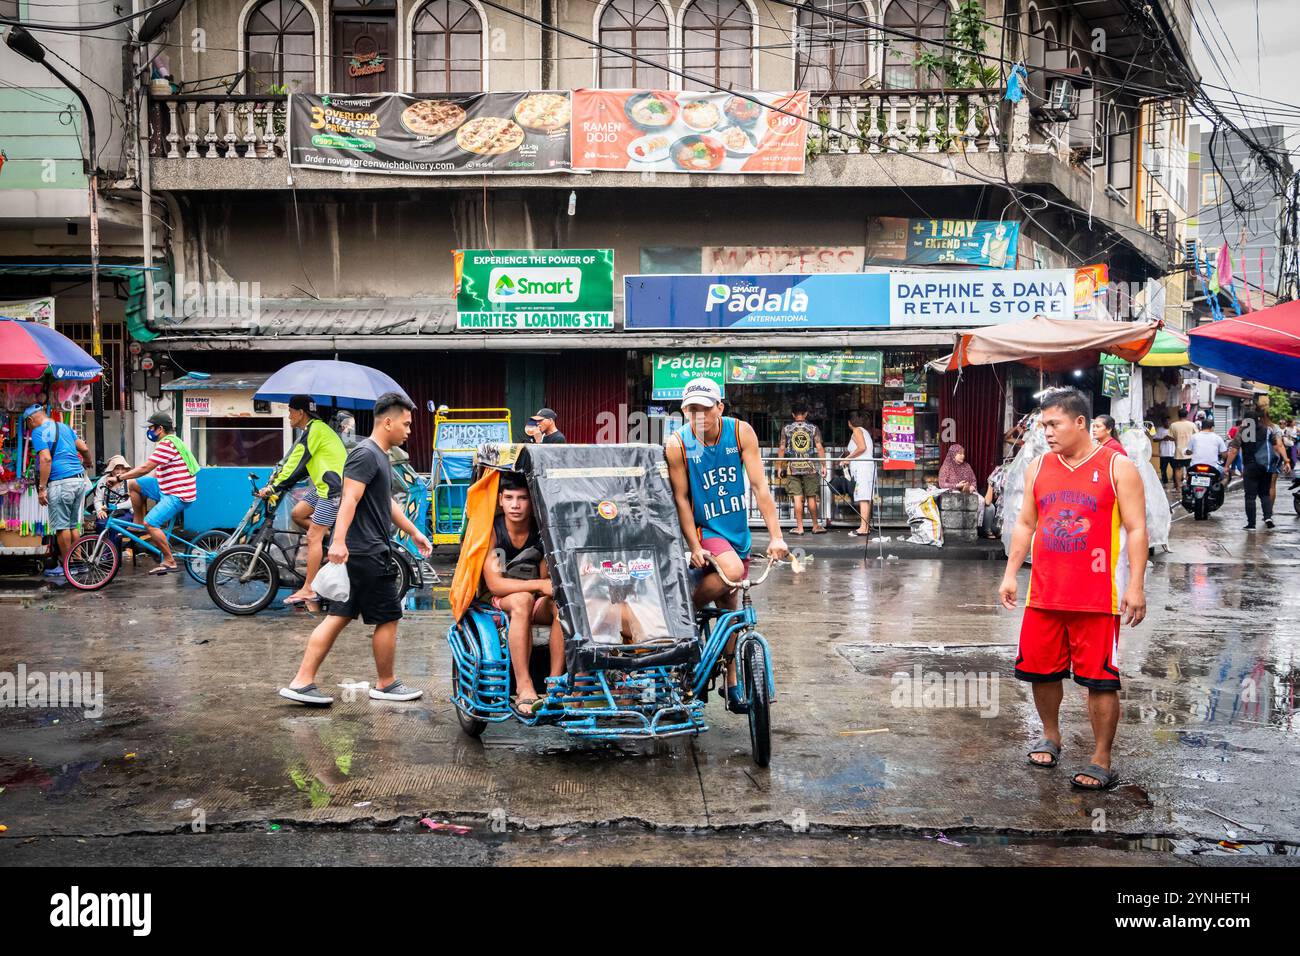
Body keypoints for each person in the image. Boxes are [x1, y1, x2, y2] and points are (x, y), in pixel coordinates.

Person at [998, 387, 1148, 792]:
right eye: (1043, 424)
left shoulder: (1118, 467)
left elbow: (1136, 528)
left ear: (1080, 422)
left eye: (1054, 424)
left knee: (1101, 680)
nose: (1046, 432)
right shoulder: (1039, 468)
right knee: (1040, 671)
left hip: (1098, 598)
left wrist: (1136, 585)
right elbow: (1026, 524)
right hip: (1045, 594)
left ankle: (1101, 756)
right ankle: (1051, 734)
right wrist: (1011, 572)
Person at [279, 392, 432, 706]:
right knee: (388, 616)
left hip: (364, 551)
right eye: (406, 424)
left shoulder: (379, 456)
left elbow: (385, 503)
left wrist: (414, 531)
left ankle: (302, 681)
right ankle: (386, 683)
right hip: (367, 553)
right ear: (387, 422)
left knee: (338, 617)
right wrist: (337, 541)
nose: (409, 430)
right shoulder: (366, 454)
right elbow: (349, 498)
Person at [665, 377, 788, 712]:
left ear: (719, 407)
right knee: (731, 573)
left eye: (705, 408)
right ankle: (677, 610)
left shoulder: (740, 432)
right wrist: (694, 546)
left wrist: (776, 536)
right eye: (691, 410)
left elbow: (760, 486)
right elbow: (681, 499)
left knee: (730, 610)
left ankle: (731, 683)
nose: (699, 416)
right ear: (684, 412)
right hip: (706, 533)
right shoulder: (677, 444)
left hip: (737, 534)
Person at [481, 473, 562, 716]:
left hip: (536, 600)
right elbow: (495, 584)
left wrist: (543, 586)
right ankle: (523, 684)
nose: (515, 505)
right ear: (500, 500)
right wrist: (538, 584)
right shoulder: (492, 531)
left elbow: (549, 577)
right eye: (509, 498)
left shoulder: (541, 529)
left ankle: (555, 684)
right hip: (503, 600)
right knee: (522, 600)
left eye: (523, 498)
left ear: (532, 501)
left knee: (564, 604)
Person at [260, 395, 347, 606]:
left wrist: (274, 486)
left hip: (332, 490)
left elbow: (296, 462)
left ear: (301, 413)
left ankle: (309, 588)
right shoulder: (313, 429)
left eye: (290, 410)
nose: (289, 415)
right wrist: (279, 481)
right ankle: (329, 534)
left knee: (312, 536)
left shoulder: (315, 430)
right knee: (298, 513)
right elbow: (297, 465)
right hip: (322, 487)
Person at [107, 412, 198, 575]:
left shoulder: (166, 444)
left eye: (151, 428)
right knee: (135, 485)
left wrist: (119, 478)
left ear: (160, 429)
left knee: (152, 523)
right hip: (168, 487)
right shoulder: (174, 441)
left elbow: (145, 468)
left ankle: (169, 560)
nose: (149, 431)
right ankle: (138, 521)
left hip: (177, 494)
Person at [24, 404, 93, 579]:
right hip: (78, 481)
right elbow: (83, 448)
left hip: (61, 482)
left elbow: (46, 459)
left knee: (61, 527)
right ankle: (78, 565)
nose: (29, 427)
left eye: (27, 424)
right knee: (72, 525)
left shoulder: (38, 432)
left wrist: (42, 488)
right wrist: (87, 462)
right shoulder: (64, 427)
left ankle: (68, 566)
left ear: (31, 420)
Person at [1227, 407, 1291, 531]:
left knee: (1250, 496)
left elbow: (1234, 450)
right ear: (1258, 419)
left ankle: (1251, 524)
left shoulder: (1243, 431)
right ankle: (1268, 517)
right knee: (1265, 494)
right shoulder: (1268, 430)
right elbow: (1277, 446)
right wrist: (1286, 460)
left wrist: (1226, 466)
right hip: (1265, 466)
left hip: (1250, 467)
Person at [776, 402, 827, 535]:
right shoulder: (813, 428)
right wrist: (824, 465)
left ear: (793, 415)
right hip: (809, 467)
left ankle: (800, 528)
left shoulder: (786, 429)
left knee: (797, 498)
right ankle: (815, 526)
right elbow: (819, 447)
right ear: (805, 414)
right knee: (811, 497)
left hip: (793, 467)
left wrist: (779, 467)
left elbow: (782, 448)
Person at [838, 410, 875, 537]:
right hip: (866, 467)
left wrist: (847, 459)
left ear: (849, 423)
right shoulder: (864, 431)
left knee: (863, 498)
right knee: (865, 498)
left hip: (862, 468)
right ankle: (865, 526)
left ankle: (863, 528)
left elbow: (862, 448)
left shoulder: (857, 431)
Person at [1169, 408, 1196, 488]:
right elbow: (1196, 436)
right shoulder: (1192, 425)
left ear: (1178, 415)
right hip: (1189, 452)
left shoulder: (1173, 425)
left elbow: (1170, 437)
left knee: (1178, 469)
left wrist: (1177, 438)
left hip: (1178, 452)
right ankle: (1188, 486)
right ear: (1187, 415)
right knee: (1189, 470)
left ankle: (1178, 488)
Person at [1154, 419, 1175, 485]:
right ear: (1163, 423)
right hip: (1163, 453)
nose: (1167, 423)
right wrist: (1163, 438)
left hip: (1173, 453)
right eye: (1165, 422)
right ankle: (1165, 482)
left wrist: (1171, 439)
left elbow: (1178, 439)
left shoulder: (1173, 429)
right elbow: (1154, 439)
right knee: (1163, 469)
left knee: (1175, 468)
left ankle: (1175, 481)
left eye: (1168, 422)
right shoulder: (1159, 429)